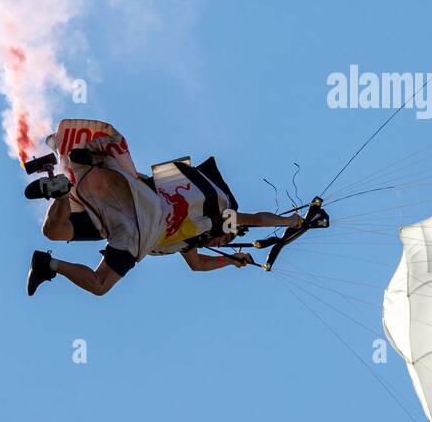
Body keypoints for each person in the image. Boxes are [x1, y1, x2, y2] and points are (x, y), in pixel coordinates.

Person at [23, 127, 300, 297]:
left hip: (115, 215)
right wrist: (291, 221)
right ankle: (53, 264)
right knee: (99, 285)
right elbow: (257, 219)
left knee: (54, 231)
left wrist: (231, 261)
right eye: (224, 241)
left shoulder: (191, 237)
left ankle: (58, 197)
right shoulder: (215, 219)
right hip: (141, 227)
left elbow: (197, 264)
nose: (219, 244)